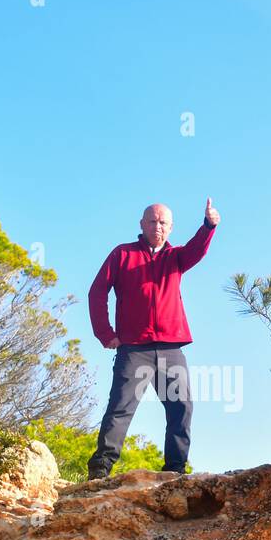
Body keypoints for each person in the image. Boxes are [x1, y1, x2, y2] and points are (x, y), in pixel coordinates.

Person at [86, 198, 220, 480]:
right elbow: (97, 292)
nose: (157, 226)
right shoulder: (122, 255)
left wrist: (208, 226)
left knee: (181, 406)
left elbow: (197, 249)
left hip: (171, 347)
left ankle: (175, 469)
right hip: (134, 349)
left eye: (163, 222)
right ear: (142, 224)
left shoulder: (176, 258)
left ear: (170, 228)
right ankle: (100, 469)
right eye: (152, 221)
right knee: (120, 407)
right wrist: (105, 333)